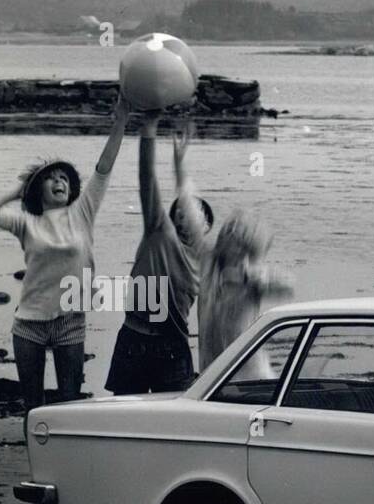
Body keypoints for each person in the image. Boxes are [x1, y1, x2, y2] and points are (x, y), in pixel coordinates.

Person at [0, 95, 130, 413]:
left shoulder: (83, 212)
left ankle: (66, 463)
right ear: (39, 191)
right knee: (33, 407)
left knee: (70, 406)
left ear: (70, 189)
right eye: (49, 178)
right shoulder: (26, 223)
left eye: (63, 178)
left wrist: (121, 121)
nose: (58, 181)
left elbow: (103, 169)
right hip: (29, 323)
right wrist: (17, 191)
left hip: (70, 321)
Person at [105, 116, 214, 394]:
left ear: (206, 226)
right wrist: (148, 130)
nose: (184, 217)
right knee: (124, 418)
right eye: (178, 213)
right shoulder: (159, 232)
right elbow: (147, 178)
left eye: (191, 214)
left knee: (172, 422)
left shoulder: (205, 259)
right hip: (135, 339)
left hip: (173, 346)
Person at [197, 209, 293, 372]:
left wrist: (248, 277)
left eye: (236, 238)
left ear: (247, 247)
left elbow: (287, 287)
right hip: (211, 371)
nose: (228, 239)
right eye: (228, 233)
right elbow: (193, 239)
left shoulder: (253, 275)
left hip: (247, 372)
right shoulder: (210, 267)